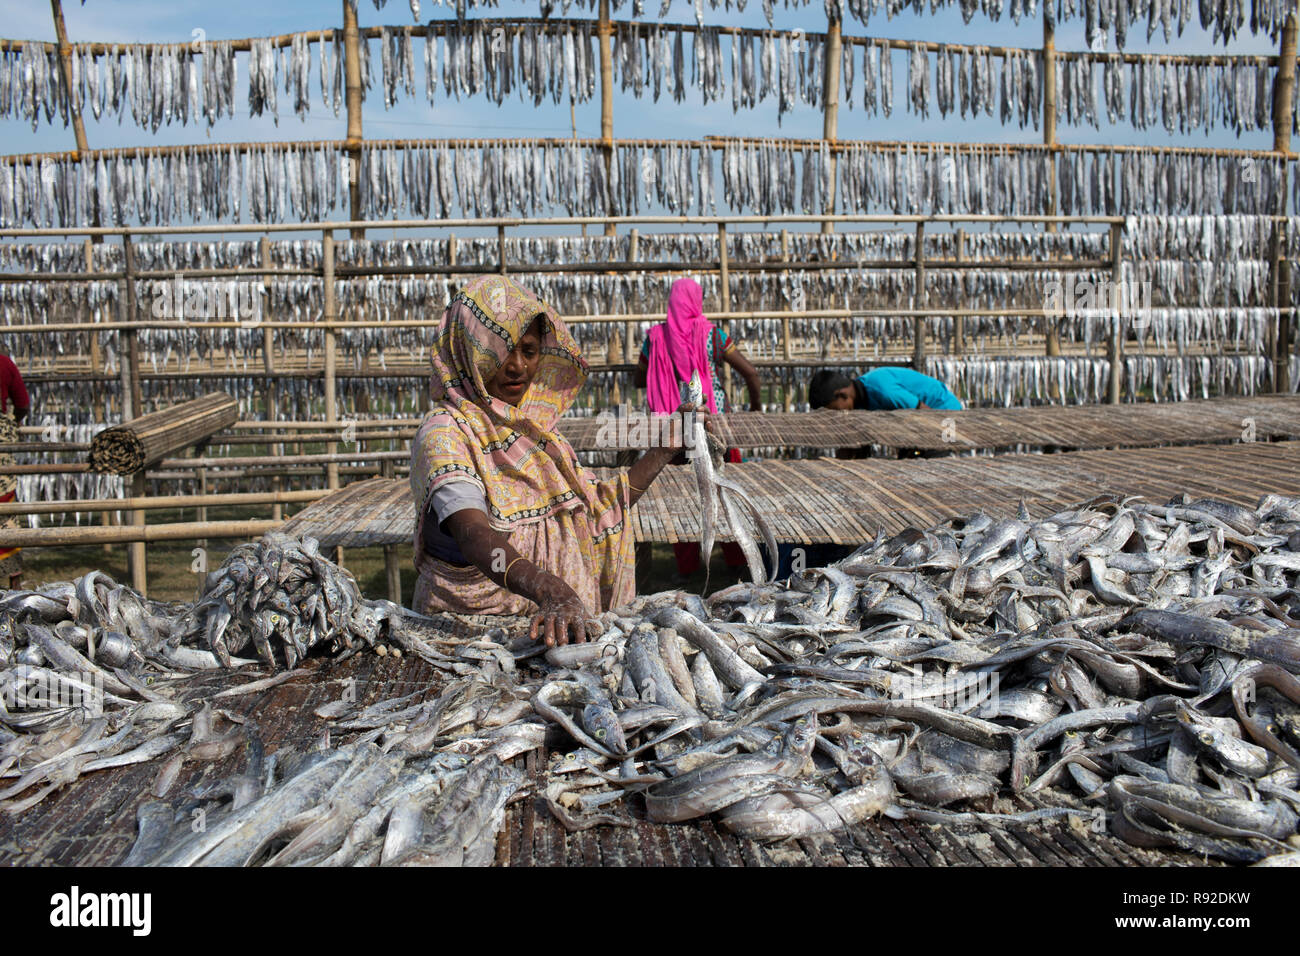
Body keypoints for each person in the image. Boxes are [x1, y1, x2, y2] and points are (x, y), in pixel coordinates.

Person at [409, 276, 702, 648]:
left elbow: (595, 511)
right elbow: (473, 535)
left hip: (549, 635)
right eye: (500, 351)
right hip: (467, 640)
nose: (517, 366)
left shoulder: (536, 434)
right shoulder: (446, 433)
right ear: (469, 350)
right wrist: (548, 589)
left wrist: (662, 451)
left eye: (528, 351)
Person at [634, 276, 762, 579]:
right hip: (715, 423)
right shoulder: (713, 336)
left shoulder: (654, 338)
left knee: (682, 494)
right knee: (725, 488)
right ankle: (737, 561)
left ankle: (689, 568)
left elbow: (639, 379)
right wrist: (756, 410)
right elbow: (751, 374)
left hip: (673, 428)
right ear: (697, 300)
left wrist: (661, 372)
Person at [0, 354, 30, 590]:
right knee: (5, 511)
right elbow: (22, 403)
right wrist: (15, 421)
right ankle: (14, 582)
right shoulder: (4, 363)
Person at [807, 367, 963, 411]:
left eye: (833, 409)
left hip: (944, 414)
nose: (835, 414)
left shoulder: (883, 390)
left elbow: (924, 412)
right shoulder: (861, 399)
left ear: (842, 395)